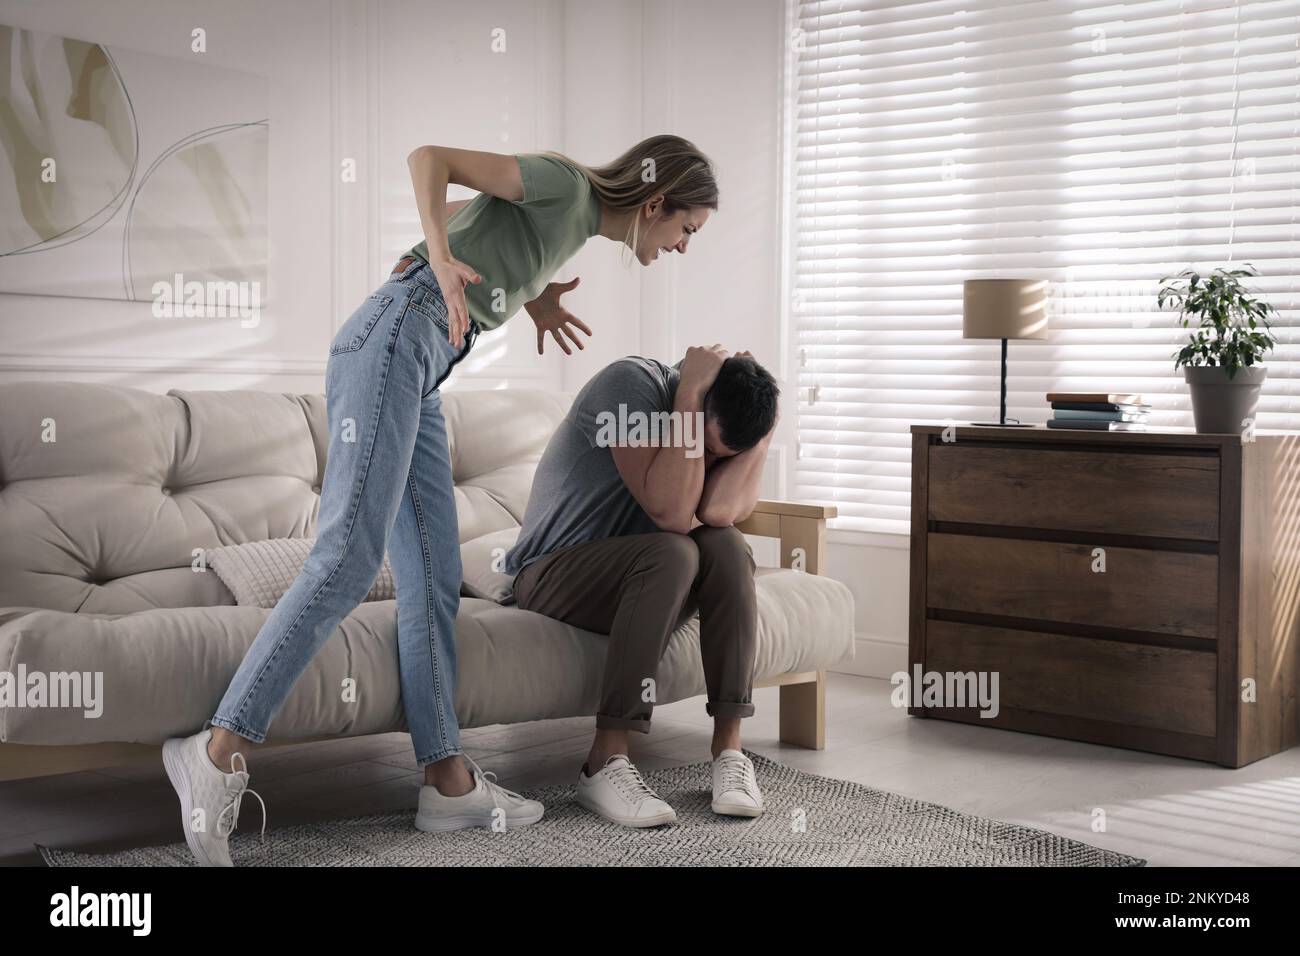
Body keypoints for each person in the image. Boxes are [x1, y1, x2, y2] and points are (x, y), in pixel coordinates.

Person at [162, 135, 719, 865]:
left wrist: (531, 294)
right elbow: (429, 159)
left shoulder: (572, 221)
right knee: (348, 561)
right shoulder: (566, 186)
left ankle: (446, 781)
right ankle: (215, 748)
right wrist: (441, 260)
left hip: (421, 362)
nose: (682, 247)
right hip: (398, 335)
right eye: (687, 230)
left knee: (431, 579)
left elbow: (474, 208)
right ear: (654, 203)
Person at [506, 346, 779, 827]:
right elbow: (672, 513)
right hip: (552, 574)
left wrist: (765, 431)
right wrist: (691, 395)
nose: (711, 462)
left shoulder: (726, 418)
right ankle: (603, 763)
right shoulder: (628, 388)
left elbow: (716, 513)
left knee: (727, 546)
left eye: (721, 457)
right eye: (709, 450)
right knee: (674, 548)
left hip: (645, 585)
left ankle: (729, 752)